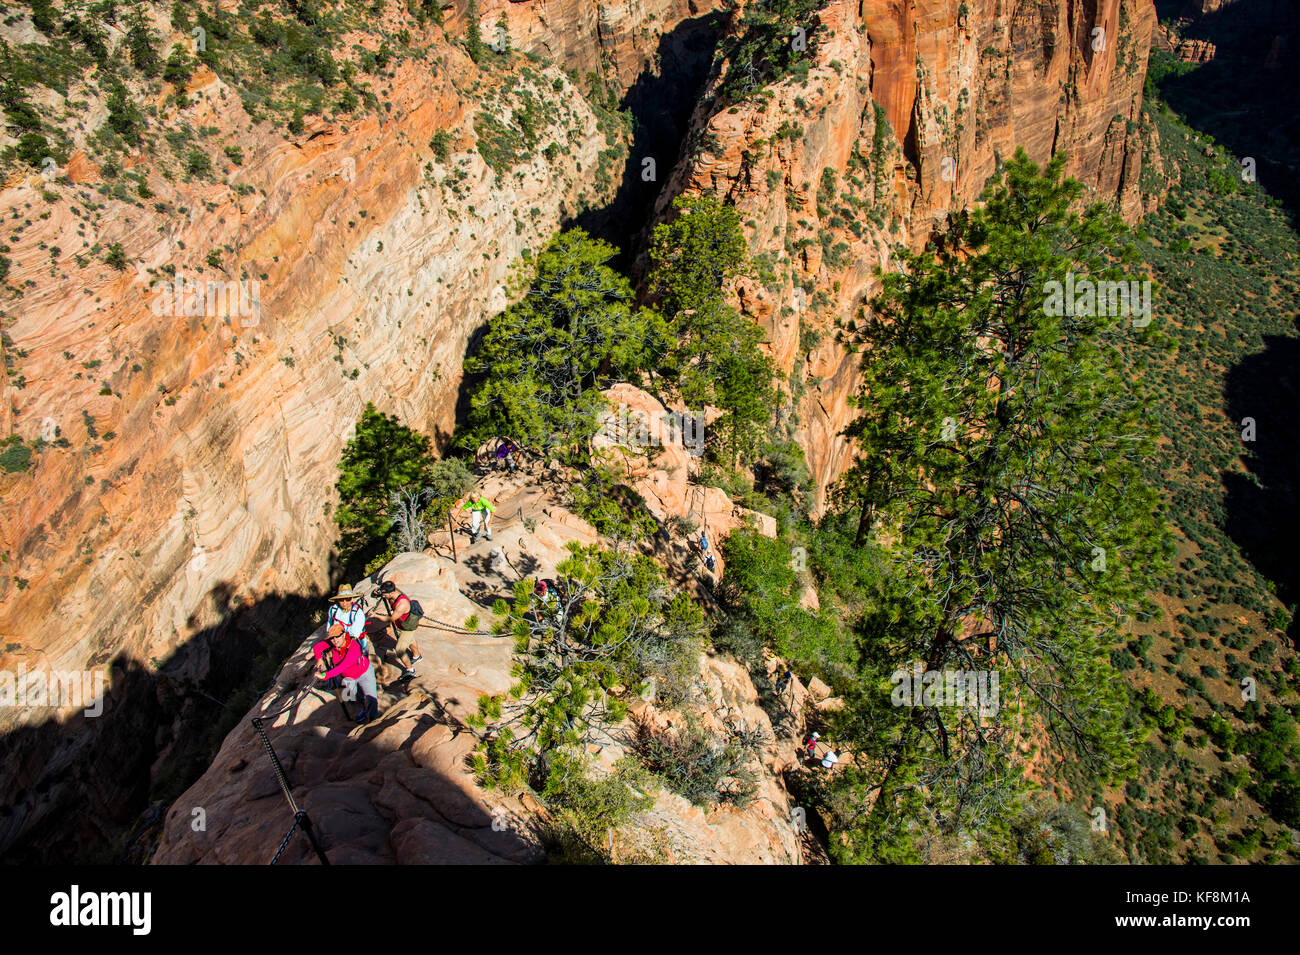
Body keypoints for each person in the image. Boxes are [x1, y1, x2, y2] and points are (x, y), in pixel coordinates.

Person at [313, 627, 379, 724]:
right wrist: (319, 658)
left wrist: (324, 675)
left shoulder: (354, 646)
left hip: (364, 674)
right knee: (356, 695)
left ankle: (373, 722)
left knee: (371, 699)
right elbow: (317, 647)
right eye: (332, 638)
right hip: (349, 677)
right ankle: (364, 710)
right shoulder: (333, 643)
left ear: (344, 635)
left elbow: (343, 666)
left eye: (337, 637)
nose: (335, 640)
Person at [372, 580, 422, 678]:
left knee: (399, 649)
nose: (383, 596)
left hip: (407, 628)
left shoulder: (402, 604)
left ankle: (410, 670)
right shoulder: (392, 592)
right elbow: (380, 592)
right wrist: (377, 592)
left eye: (384, 595)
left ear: (391, 593)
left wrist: (376, 616)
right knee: (410, 640)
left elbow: (390, 619)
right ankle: (417, 656)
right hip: (402, 625)